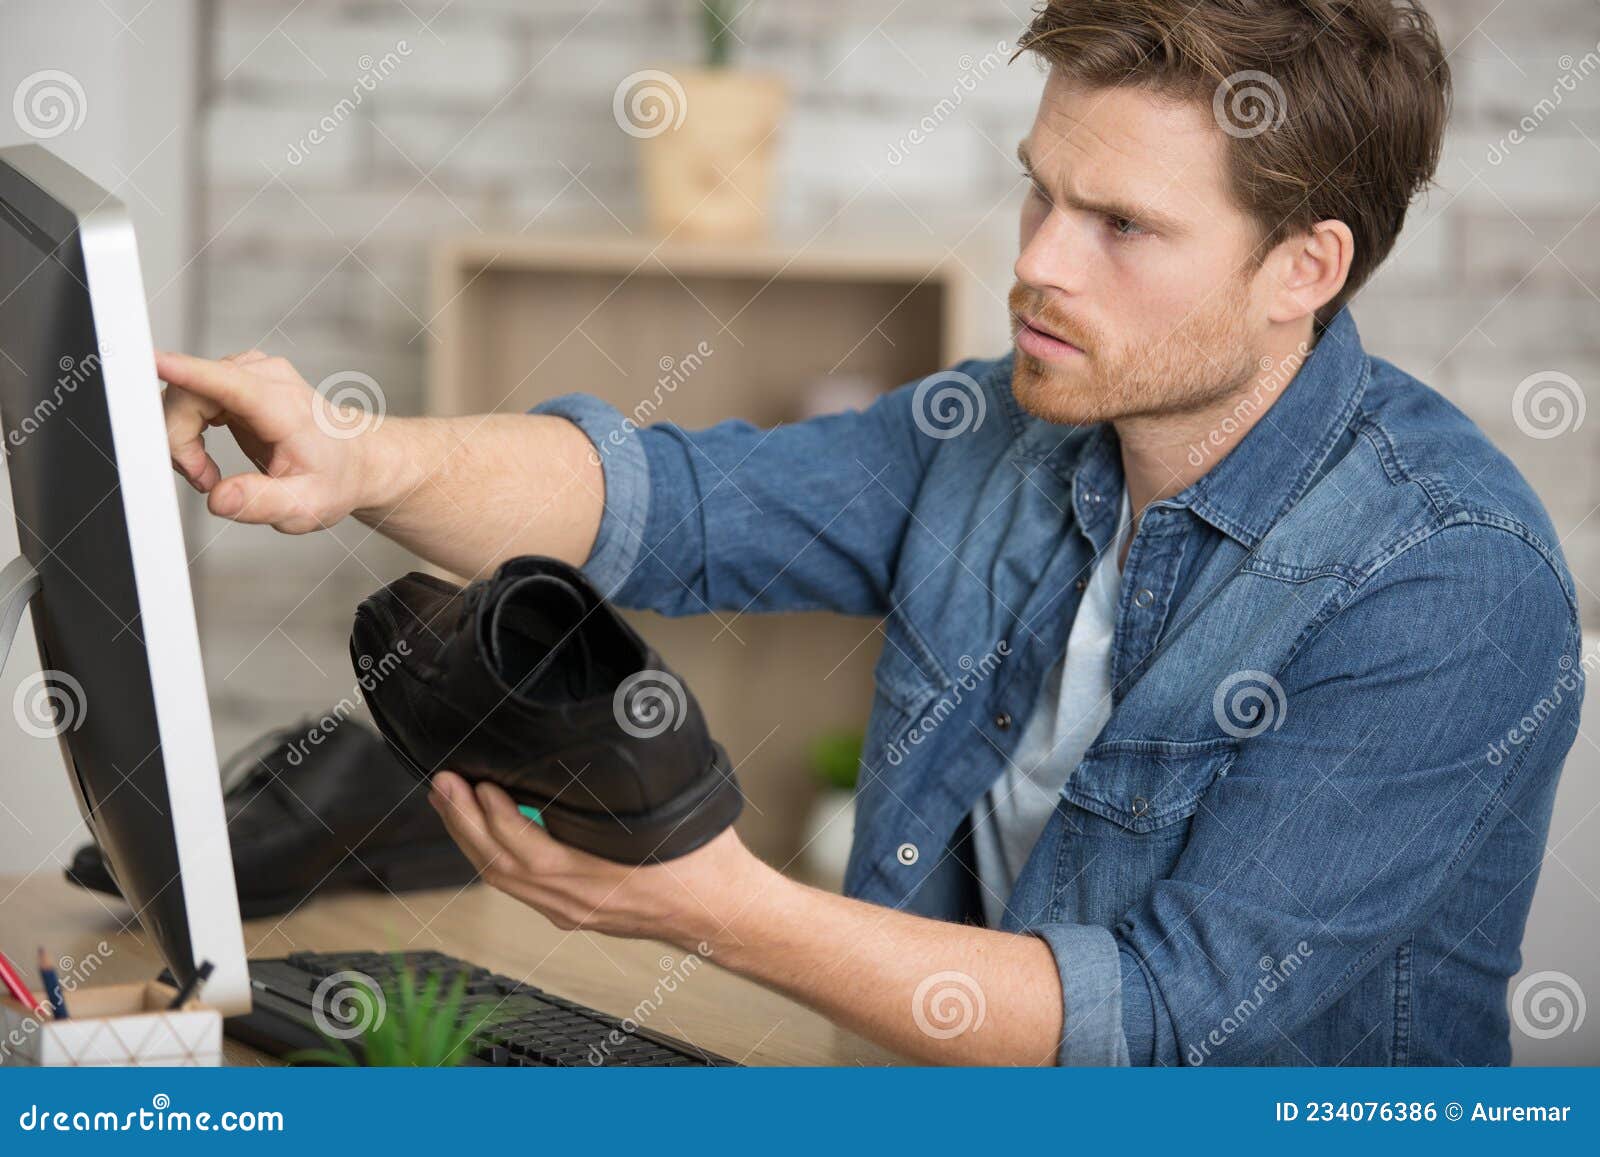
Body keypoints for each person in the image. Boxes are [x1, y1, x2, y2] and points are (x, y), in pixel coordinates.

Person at [158, 0, 1579, 1065]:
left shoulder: (1446, 579)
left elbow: (1157, 1021)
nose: (1037, 260)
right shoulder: (1005, 428)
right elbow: (669, 505)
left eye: (1122, 227)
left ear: (1303, 269)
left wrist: (712, 906)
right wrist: (359, 454)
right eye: (1041, 190)